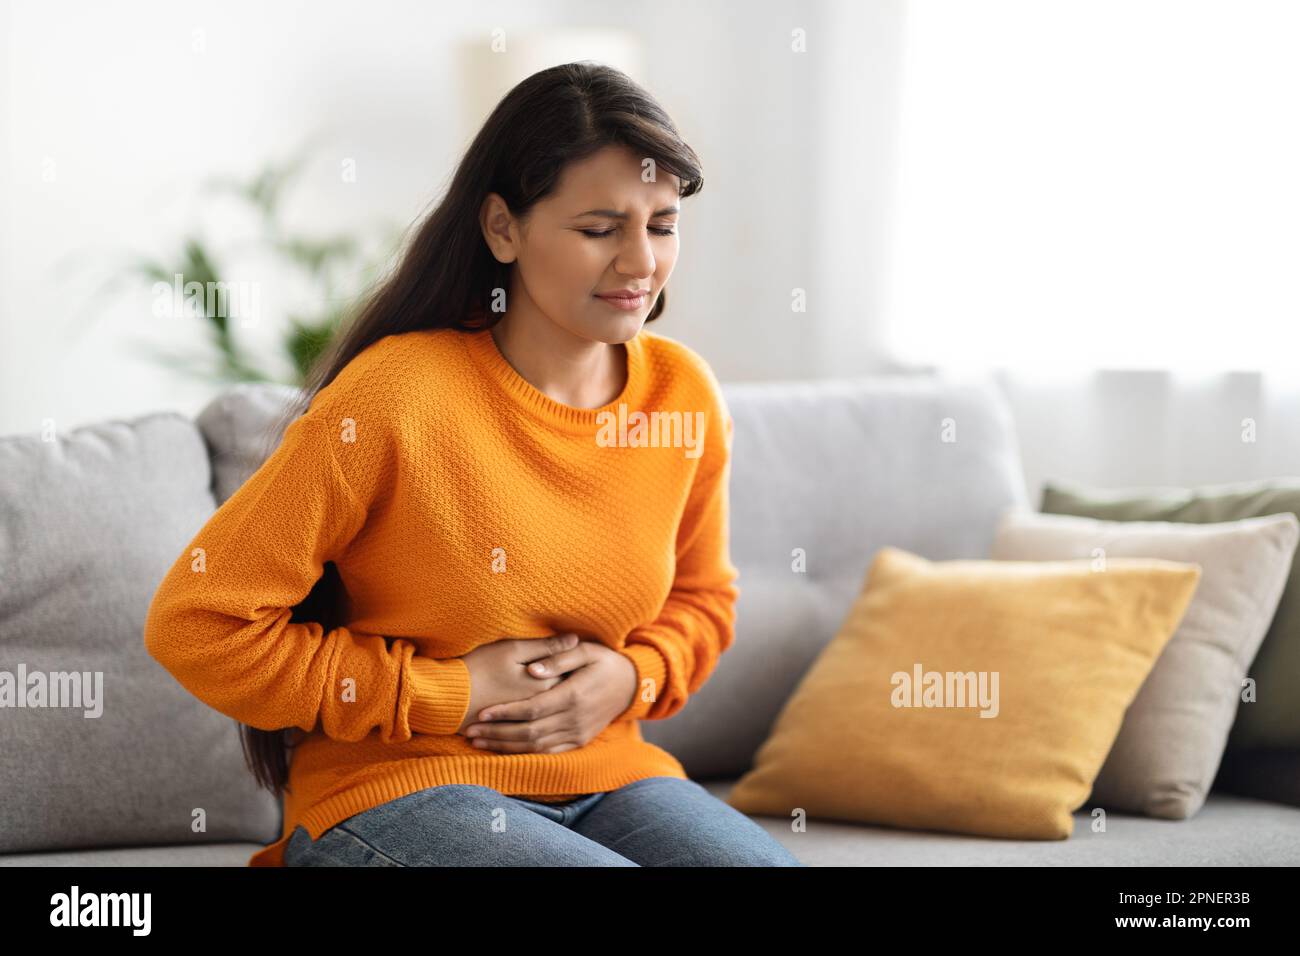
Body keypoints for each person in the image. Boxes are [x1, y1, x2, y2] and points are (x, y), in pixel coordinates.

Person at [143, 61, 802, 867]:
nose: (640, 264)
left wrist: (631, 678)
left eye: (661, 225)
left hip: (612, 773)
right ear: (503, 229)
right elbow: (198, 625)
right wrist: (447, 693)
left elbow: (704, 600)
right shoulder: (396, 395)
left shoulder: (682, 396)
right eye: (600, 229)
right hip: (399, 788)